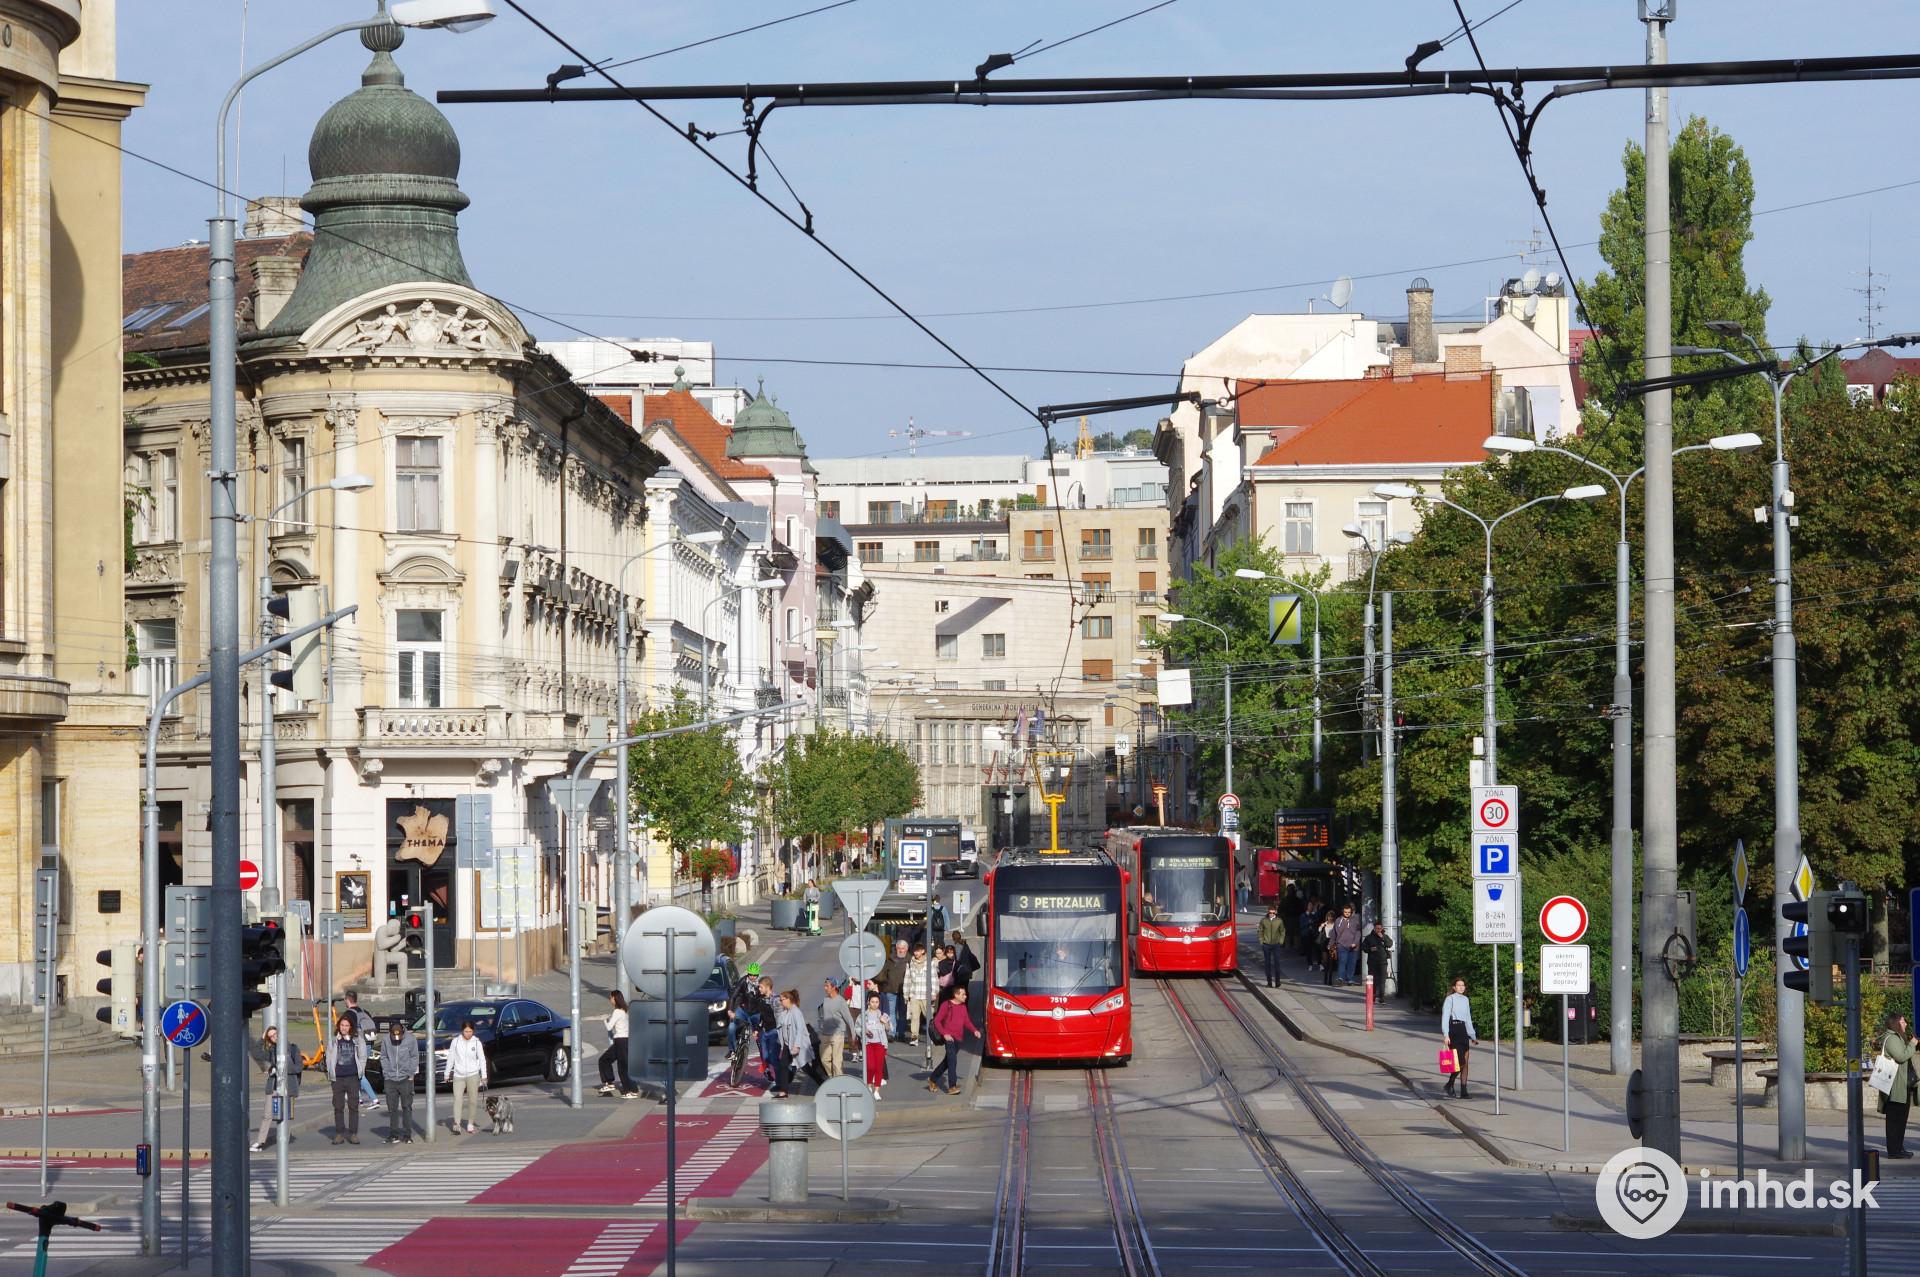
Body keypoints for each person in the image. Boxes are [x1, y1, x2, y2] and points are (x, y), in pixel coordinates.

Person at [249, 1024, 301, 1151]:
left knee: (285, 1114)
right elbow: (256, 1053)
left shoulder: (293, 1049)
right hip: (273, 1086)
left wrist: (280, 1068)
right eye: (271, 1036)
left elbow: (298, 1067)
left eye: (275, 1034)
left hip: (288, 1086)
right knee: (268, 1115)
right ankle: (260, 1142)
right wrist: (262, 1038)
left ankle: (284, 1138)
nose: (274, 1037)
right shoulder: (271, 1051)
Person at [1878, 1011, 1916, 1159]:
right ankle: (1894, 1150)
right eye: (1902, 1021)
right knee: (1895, 1119)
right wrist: (1912, 1044)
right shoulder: (1892, 1038)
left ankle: (1898, 1148)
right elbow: (1901, 1057)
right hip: (1894, 1086)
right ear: (1895, 1023)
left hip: (1901, 1084)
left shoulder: (1898, 1037)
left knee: (1901, 1118)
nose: (1905, 1023)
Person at [928, 986, 980, 1095]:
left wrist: (974, 1030)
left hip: (958, 1038)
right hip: (949, 1038)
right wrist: (945, 1034)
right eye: (963, 994)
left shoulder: (963, 1006)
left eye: (965, 994)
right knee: (952, 1060)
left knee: (947, 1062)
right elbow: (937, 1021)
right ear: (956, 995)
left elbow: (966, 1021)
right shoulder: (946, 1005)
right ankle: (952, 1086)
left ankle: (932, 1079)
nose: (965, 996)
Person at [325, 1015, 367, 1145]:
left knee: (353, 1106)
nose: (344, 1028)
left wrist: (360, 1071)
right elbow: (328, 1057)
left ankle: (353, 1133)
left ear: (351, 1027)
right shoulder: (333, 1040)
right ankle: (339, 1133)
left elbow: (363, 1056)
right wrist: (330, 1071)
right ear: (339, 1026)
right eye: (342, 1025)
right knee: (338, 1106)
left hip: (353, 1077)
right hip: (337, 1078)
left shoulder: (357, 1040)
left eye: (347, 1026)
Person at [445, 1020, 487, 1134]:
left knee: (472, 1100)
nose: (468, 1034)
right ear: (462, 1031)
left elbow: (482, 1059)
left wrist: (484, 1075)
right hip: (459, 1074)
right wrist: (447, 1073)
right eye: (466, 1031)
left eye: (470, 1031)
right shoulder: (455, 1042)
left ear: (473, 1031)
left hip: (473, 1074)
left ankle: (470, 1123)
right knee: (457, 1099)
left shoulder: (477, 1043)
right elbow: (451, 1058)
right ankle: (457, 1123)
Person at [1440, 977, 1479, 1099]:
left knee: (1465, 1063)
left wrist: (1472, 1036)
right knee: (1459, 1061)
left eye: (1463, 985)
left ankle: (1463, 1091)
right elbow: (1445, 1017)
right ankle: (1449, 1084)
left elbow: (1468, 1018)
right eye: (1459, 985)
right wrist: (1446, 1035)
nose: (1461, 987)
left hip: (1463, 1031)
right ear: (1454, 987)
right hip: (1454, 1030)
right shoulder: (1450, 999)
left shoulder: (1466, 999)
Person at [342, 990, 380, 1110]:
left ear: (347, 1000)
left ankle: (374, 1099)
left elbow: (346, 1031)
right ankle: (358, 1099)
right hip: (369, 1043)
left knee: (359, 1073)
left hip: (359, 1045)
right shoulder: (364, 1012)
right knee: (357, 1071)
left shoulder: (349, 1014)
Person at [382, 1021, 419, 1144]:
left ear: (403, 1031)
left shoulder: (411, 1039)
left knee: (406, 1107)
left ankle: (407, 1135)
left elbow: (414, 1056)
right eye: (394, 1037)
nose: (396, 1039)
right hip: (390, 1079)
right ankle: (393, 1134)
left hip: (405, 1079)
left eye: (399, 1037)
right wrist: (386, 1073)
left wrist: (410, 1073)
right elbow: (384, 1057)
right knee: (392, 1108)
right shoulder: (386, 1040)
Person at [773, 989, 812, 1099]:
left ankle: (822, 1083)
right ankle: (783, 1091)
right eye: (780, 1000)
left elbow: (800, 1029)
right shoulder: (786, 1012)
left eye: (782, 1000)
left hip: (795, 1045)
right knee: (783, 1066)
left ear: (789, 1000)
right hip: (787, 1044)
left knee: (805, 1068)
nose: (781, 1002)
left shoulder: (796, 1012)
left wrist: (797, 1045)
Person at [817, 977, 858, 1077]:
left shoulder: (841, 1001)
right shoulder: (825, 1000)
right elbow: (823, 1016)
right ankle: (833, 1078)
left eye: (827, 986)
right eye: (825, 985)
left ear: (834, 987)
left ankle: (838, 1082)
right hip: (825, 1034)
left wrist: (853, 1034)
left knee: (836, 1062)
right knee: (824, 1059)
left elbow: (848, 1018)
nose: (825, 988)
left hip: (837, 1035)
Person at [598, 991, 634, 1098]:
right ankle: (609, 1083)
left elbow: (609, 1027)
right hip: (623, 1040)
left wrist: (604, 1019)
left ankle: (630, 1091)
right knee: (604, 1059)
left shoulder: (618, 1011)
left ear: (615, 998)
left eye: (611, 997)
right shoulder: (625, 1010)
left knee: (623, 1067)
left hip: (621, 1041)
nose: (610, 999)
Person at [875, 939, 910, 1041]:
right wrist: (884, 983)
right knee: (891, 1013)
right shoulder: (890, 959)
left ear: (907, 949)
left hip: (904, 991)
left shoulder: (911, 960)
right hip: (890, 989)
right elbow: (883, 973)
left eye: (903, 948)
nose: (900, 950)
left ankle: (901, 1033)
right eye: (899, 948)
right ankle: (892, 1032)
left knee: (902, 1013)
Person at [860, 992, 893, 1099]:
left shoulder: (882, 1015)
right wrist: (864, 1032)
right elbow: (858, 1027)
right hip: (868, 1044)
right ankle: (869, 1085)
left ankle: (877, 1090)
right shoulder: (863, 1015)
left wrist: (885, 1022)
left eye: (877, 1002)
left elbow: (888, 1029)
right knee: (870, 1067)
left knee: (879, 1067)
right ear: (868, 1002)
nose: (874, 1004)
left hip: (880, 1044)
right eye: (872, 1002)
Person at [755, 975, 782, 1084]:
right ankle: (783, 1073)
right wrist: (757, 1028)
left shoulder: (775, 1000)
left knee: (774, 1058)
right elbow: (761, 1015)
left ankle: (781, 1081)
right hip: (764, 1032)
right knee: (766, 1057)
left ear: (767, 987)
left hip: (774, 1032)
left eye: (761, 987)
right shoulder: (761, 999)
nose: (759, 989)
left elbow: (780, 1018)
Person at [904, 943, 932, 1045]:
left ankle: (931, 1036)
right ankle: (914, 1037)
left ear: (923, 951)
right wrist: (906, 994)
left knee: (928, 1016)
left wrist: (933, 993)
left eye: (918, 951)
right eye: (915, 951)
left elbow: (933, 978)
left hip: (925, 994)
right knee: (914, 1017)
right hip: (914, 994)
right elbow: (907, 979)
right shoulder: (910, 963)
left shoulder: (929, 962)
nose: (916, 953)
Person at [1257, 904, 1286, 988]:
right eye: (1270, 913)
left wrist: (1281, 941)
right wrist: (1261, 941)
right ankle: (1269, 982)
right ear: (1268, 912)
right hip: (1266, 945)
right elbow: (1260, 931)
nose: (1271, 914)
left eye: (1273, 913)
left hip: (1276, 945)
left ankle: (1277, 982)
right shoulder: (1263, 920)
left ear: (1275, 913)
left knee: (1277, 963)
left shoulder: (1279, 921)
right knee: (1267, 964)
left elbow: (1282, 931)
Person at [1333, 905, 1362, 985]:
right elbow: (1334, 933)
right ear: (1342, 912)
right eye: (1345, 912)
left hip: (1353, 946)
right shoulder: (1338, 920)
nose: (1347, 913)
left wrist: (1355, 943)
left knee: (1351, 963)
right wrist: (1331, 944)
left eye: (1349, 912)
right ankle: (1341, 978)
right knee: (1342, 961)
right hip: (1341, 945)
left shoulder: (1355, 921)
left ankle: (1350, 979)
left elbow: (1358, 933)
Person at [949, 932, 980, 1006]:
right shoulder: (965, 945)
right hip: (967, 971)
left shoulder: (957, 946)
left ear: (953, 938)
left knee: (959, 989)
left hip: (961, 972)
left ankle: (962, 1004)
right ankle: (965, 1004)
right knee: (965, 988)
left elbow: (958, 959)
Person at [1360, 921, 1393, 991]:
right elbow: (1363, 947)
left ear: (1382, 929)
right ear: (1374, 929)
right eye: (1377, 928)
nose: (1379, 930)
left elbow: (1390, 944)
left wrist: (1383, 938)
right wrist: (1370, 949)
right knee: (1373, 980)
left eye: (1380, 928)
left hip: (1383, 962)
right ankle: (1373, 995)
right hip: (1372, 962)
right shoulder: (1369, 937)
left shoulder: (1385, 936)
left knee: (1382, 980)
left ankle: (1382, 997)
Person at [1318, 911, 1338, 986]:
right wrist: (1322, 926)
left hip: (1332, 942)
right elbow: (1319, 930)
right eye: (1329, 916)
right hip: (1324, 942)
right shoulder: (1325, 924)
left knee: (1331, 961)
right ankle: (1325, 976)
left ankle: (1330, 978)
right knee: (1325, 961)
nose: (1330, 918)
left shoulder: (1335, 924)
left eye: (1331, 916)